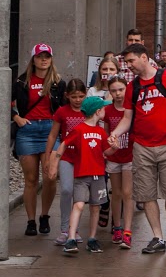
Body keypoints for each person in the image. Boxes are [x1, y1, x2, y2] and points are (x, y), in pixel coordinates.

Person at [110, 43, 166, 254]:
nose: (128, 66)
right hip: (142, 146)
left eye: (131, 61)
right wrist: (115, 133)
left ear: (144, 58)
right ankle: (157, 236)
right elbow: (127, 117)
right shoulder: (132, 87)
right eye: (126, 62)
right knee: (146, 194)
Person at [11, 44, 64, 237]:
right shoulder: (21, 82)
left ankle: (45, 215)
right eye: (40, 56)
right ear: (33, 59)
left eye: (47, 57)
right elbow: (5, 100)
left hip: (50, 130)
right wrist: (16, 118)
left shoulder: (58, 82)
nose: (44, 60)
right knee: (31, 180)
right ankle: (31, 220)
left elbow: (65, 108)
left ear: (51, 59)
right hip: (28, 130)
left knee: (50, 176)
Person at [60, 97, 112, 255]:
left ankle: (92, 238)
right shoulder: (79, 129)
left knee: (96, 206)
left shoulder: (101, 131)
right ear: (97, 111)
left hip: (98, 174)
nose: (105, 111)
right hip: (82, 174)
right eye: (103, 108)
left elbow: (106, 152)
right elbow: (64, 143)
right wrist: (57, 159)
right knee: (79, 204)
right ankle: (71, 238)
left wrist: (114, 148)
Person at [42, 79, 90, 244]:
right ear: (67, 96)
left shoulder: (89, 111)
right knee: (66, 190)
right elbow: (53, 135)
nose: (78, 100)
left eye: (81, 96)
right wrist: (48, 157)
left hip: (85, 158)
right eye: (74, 96)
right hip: (66, 157)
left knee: (79, 194)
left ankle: (74, 229)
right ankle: (64, 228)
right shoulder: (62, 112)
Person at [102, 77, 134, 248]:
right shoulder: (107, 111)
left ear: (126, 89)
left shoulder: (132, 109)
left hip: (130, 156)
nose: (118, 93)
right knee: (116, 193)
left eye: (121, 89)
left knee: (128, 193)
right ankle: (117, 227)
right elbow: (106, 133)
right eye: (114, 91)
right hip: (114, 157)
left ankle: (127, 231)